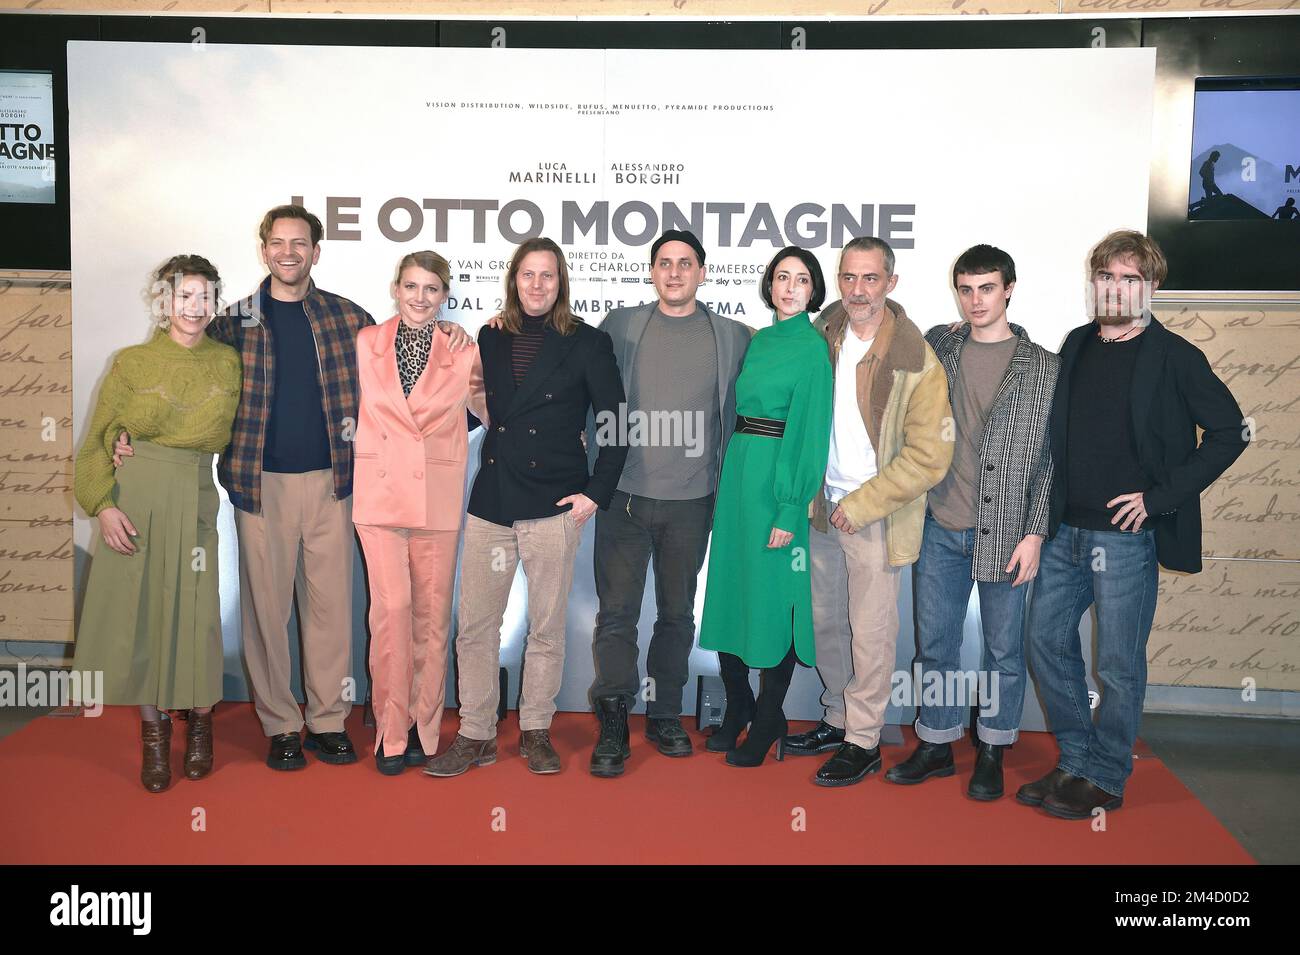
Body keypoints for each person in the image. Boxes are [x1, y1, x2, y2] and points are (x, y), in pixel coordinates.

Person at [114, 205, 471, 771]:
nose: (288, 252)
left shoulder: (347, 318)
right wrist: (126, 430)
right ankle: (281, 723)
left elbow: (408, 345)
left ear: (315, 251)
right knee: (266, 613)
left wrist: (447, 329)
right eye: (277, 242)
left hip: (335, 485)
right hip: (260, 489)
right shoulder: (234, 320)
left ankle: (329, 722)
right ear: (263, 250)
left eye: (299, 243)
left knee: (330, 611)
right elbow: (180, 372)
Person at [1020, 230, 1247, 819]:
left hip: (1125, 540)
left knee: (1119, 664)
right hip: (1066, 529)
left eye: (1129, 279)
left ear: (1150, 288)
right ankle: (1075, 760)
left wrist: (1159, 497)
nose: (1115, 289)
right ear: (1093, 283)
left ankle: (1107, 774)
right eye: (1106, 277)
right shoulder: (1075, 344)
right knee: (1045, 642)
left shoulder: (1174, 355)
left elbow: (1230, 433)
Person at [425, 237, 627, 778]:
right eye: (528, 275)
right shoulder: (490, 336)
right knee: (475, 628)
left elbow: (614, 424)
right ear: (513, 279)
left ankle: (537, 729)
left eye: (548, 276)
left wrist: (594, 494)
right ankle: (476, 733)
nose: (537, 286)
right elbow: (466, 393)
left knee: (546, 628)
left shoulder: (587, 342)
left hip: (554, 505)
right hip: (492, 501)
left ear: (562, 283)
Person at [884, 244, 1058, 800]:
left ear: (1009, 289)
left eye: (986, 288)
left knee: (1003, 650)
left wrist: (1035, 532)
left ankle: (993, 747)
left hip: (1008, 532)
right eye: (966, 288)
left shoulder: (1044, 366)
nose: (975, 300)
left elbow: (1052, 457)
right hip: (940, 521)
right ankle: (936, 742)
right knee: (934, 644)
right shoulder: (940, 344)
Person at [780, 237, 954, 788]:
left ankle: (864, 739)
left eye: (871, 278)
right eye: (850, 277)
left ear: (891, 283)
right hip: (822, 507)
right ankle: (837, 718)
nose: (858, 289)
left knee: (871, 631)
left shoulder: (916, 358)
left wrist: (863, 504)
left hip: (874, 513)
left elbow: (930, 456)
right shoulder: (821, 337)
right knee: (826, 622)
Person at [586, 230, 752, 777]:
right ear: (652, 271)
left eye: (685, 264)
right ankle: (614, 719)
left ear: (703, 272)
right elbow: (570, 358)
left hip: (693, 502)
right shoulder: (620, 325)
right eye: (664, 263)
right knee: (617, 616)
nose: (675, 272)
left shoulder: (733, 336)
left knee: (678, 616)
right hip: (624, 501)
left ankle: (664, 714)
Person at [73, 254, 241, 792]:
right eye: (183, 296)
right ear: (163, 301)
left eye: (204, 296)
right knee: (141, 612)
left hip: (195, 494)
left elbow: (233, 434)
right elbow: (100, 438)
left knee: (196, 614)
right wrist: (103, 504)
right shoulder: (131, 363)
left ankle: (200, 724)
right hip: (136, 496)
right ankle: (153, 736)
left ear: (216, 302)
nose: (194, 307)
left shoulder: (227, 363)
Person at [352, 251, 488, 775]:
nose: (420, 297)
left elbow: (494, 408)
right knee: (391, 616)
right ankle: (391, 730)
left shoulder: (464, 349)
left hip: (436, 495)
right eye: (412, 286)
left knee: (431, 620)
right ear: (395, 287)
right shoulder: (368, 343)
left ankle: (423, 727)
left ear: (444, 295)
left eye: (432, 289)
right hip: (381, 497)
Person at [697, 246, 833, 767]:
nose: (791, 287)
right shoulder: (757, 343)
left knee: (776, 602)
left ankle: (771, 712)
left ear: (814, 290)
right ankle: (739, 706)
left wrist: (789, 506)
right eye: (782, 277)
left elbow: (809, 434)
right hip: (739, 475)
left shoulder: (812, 350)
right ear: (770, 285)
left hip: (778, 481)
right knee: (731, 592)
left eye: (802, 279)